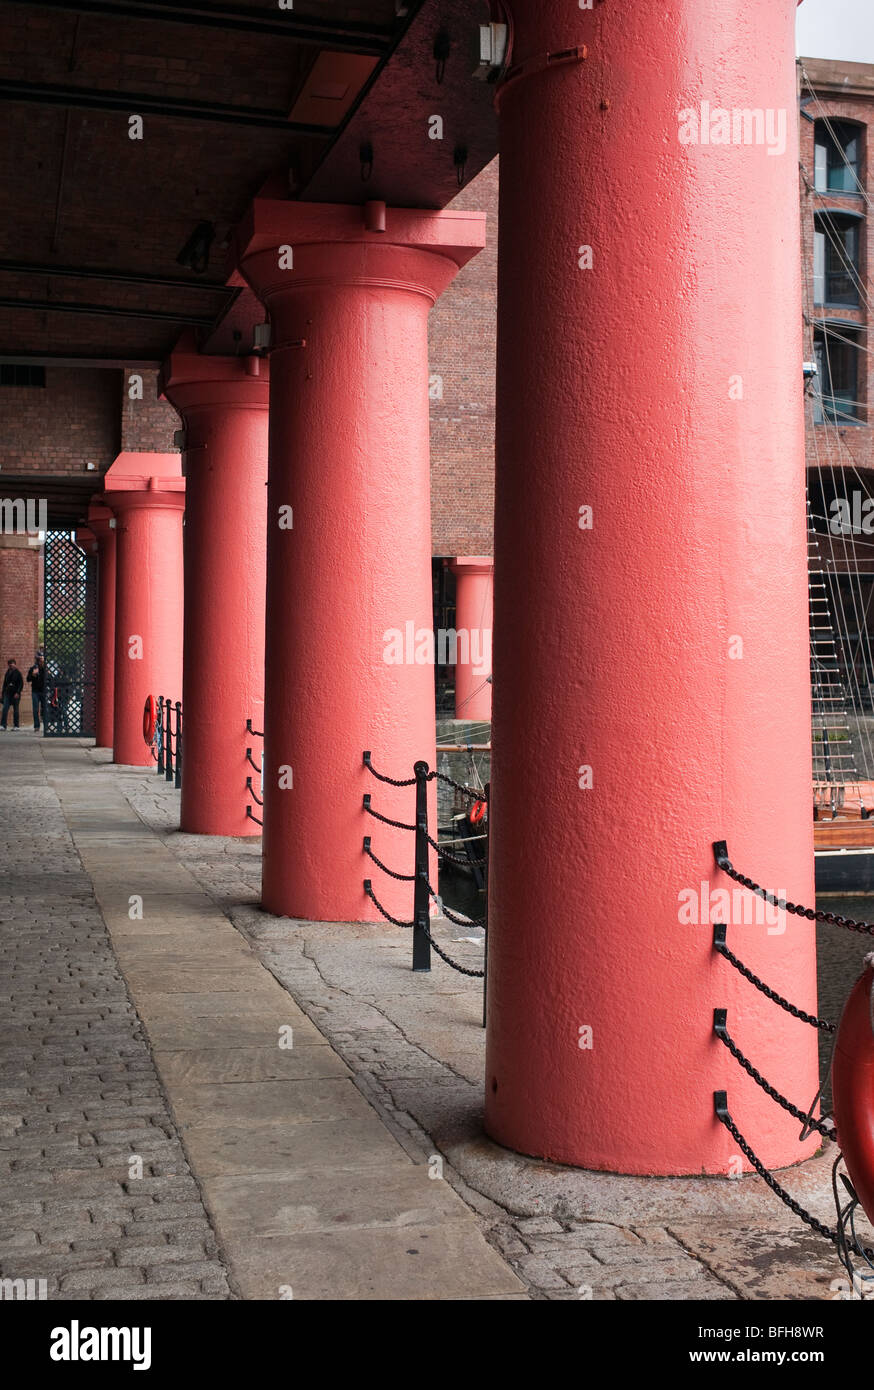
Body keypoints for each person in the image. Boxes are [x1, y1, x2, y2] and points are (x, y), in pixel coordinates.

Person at [1, 658, 23, 730]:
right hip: (7, 694)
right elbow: (4, 684)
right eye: (10, 665)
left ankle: (16, 726)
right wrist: (2, 693)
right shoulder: (7, 673)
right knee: (5, 709)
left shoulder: (18, 673)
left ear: (15, 665)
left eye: (12, 665)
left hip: (15, 694)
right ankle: (3, 725)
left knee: (15, 710)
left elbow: (21, 684)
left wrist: (18, 692)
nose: (11, 666)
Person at [26, 653, 46, 732]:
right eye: (40, 660)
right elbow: (28, 679)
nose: (41, 662)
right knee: (35, 709)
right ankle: (36, 726)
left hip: (44, 691)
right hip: (35, 691)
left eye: (42, 660)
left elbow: (50, 678)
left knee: (44, 708)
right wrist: (33, 674)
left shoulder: (46, 668)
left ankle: (46, 725)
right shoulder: (33, 668)